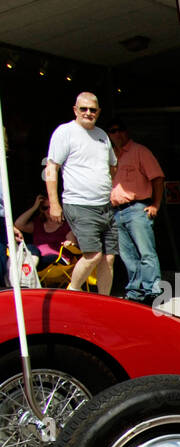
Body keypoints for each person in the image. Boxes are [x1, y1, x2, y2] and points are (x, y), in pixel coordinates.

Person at [44, 91, 116, 294]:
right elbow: (52, 168)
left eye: (92, 110)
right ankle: (72, 292)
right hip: (79, 204)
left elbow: (113, 165)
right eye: (83, 109)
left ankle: (105, 302)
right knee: (92, 255)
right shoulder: (65, 132)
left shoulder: (102, 135)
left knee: (108, 258)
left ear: (98, 112)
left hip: (104, 205)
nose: (88, 113)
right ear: (75, 110)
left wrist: (107, 187)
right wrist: (54, 203)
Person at [107, 119, 164, 303]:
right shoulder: (109, 155)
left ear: (126, 131)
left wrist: (155, 204)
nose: (117, 134)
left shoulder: (139, 151)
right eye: (112, 131)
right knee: (127, 256)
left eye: (120, 129)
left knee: (146, 252)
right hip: (116, 210)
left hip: (137, 207)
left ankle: (153, 290)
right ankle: (136, 291)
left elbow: (157, 178)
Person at [14, 194, 76, 269]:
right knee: (30, 247)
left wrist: (69, 243)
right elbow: (19, 224)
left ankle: (30, 267)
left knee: (41, 257)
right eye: (45, 208)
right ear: (41, 210)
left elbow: (72, 244)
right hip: (38, 259)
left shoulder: (66, 225)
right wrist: (34, 207)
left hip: (57, 261)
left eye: (51, 206)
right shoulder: (38, 224)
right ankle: (32, 264)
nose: (49, 210)